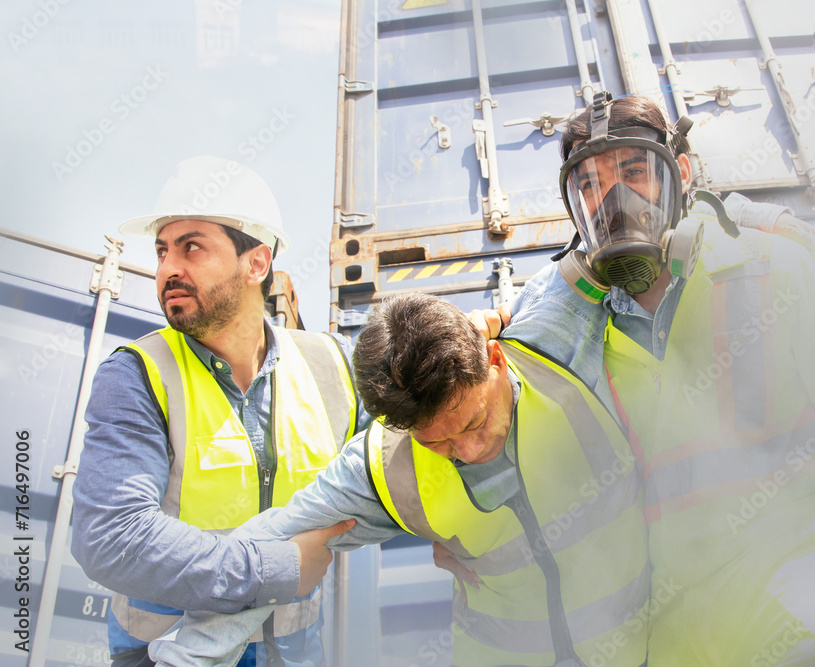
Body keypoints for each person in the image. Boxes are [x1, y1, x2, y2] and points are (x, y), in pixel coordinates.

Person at [492, 93, 815, 666]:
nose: (612, 200)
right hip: (672, 622)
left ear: (679, 174)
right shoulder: (574, 331)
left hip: (804, 574)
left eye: (632, 171)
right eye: (589, 185)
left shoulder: (772, 268)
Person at [148, 291, 650, 667]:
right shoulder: (382, 467)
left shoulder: (557, 350)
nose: (469, 451)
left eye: (473, 422)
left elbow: (605, 249)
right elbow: (272, 542)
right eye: (438, 443)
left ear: (494, 358)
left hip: (642, 649)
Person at [71, 156, 362, 667]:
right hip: (166, 654)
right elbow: (110, 536)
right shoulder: (138, 374)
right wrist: (275, 568)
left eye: (192, 248)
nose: (167, 269)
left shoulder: (330, 363)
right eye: (162, 251)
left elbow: (399, 463)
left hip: (293, 654)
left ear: (257, 263)